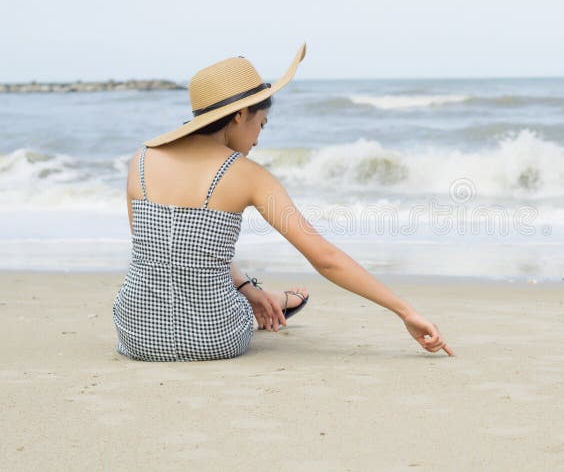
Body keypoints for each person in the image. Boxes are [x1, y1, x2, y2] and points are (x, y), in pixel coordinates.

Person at [113, 44, 454, 361]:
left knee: (199, 272)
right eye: (261, 124)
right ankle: (269, 299)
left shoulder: (142, 159)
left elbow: (165, 251)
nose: (257, 140)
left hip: (137, 334)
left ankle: (257, 294)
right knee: (228, 301)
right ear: (239, 115)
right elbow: (326, 259)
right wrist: (406, 312)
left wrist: (245, 287)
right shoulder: (248, 174)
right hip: (213, 338)